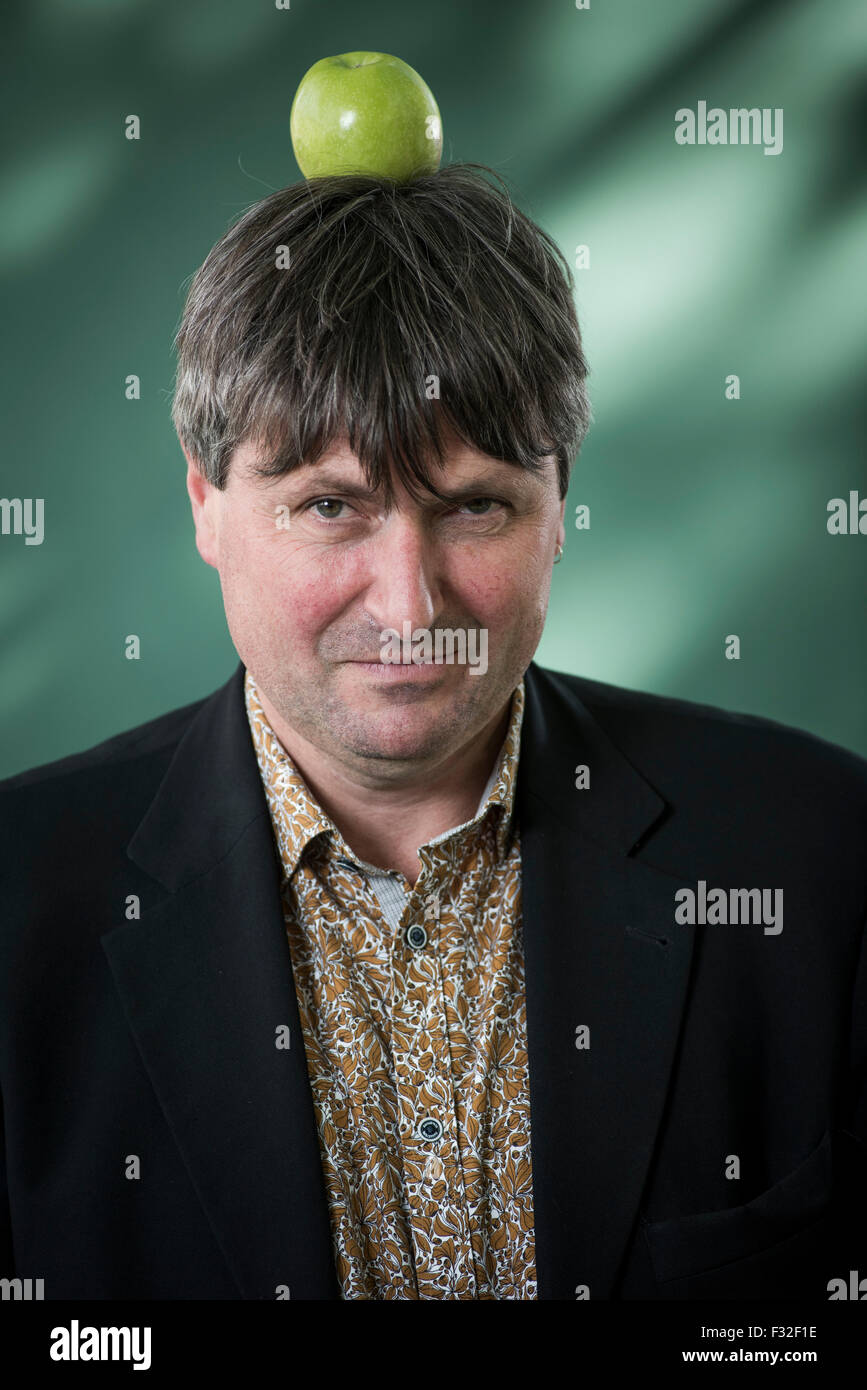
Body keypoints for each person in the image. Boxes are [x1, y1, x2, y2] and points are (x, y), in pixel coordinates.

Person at [1, 165, 865, 1302]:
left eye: (474, 505)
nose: (411, 610)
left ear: (559, 507)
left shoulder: (827, 856)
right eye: (330, 506)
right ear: (206, 503)